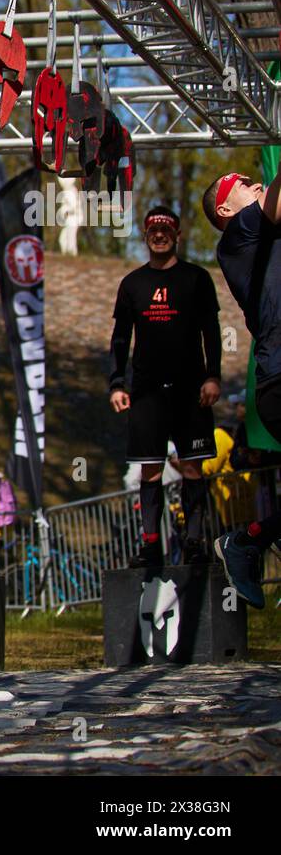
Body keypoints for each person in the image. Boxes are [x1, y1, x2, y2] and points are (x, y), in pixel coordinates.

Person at [108, 207, 220, 566]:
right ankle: (151, 545)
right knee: (150, 469)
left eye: (166, 229)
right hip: (146, 391)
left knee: (191, 467)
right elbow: (120, 338)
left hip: (190, 390)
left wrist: (213, 376)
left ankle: (194, 541)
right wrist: (116, 383)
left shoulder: (197, 279)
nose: (159, 235)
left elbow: (212, 333)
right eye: (153, 229)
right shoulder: (132, 284)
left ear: (177, 235)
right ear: (145, 235)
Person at [201, 169, 281, 605]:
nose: (255, 183)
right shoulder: (240, 235)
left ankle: (257, 537)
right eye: (244, 184)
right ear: (226, 208)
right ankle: (250, 540)